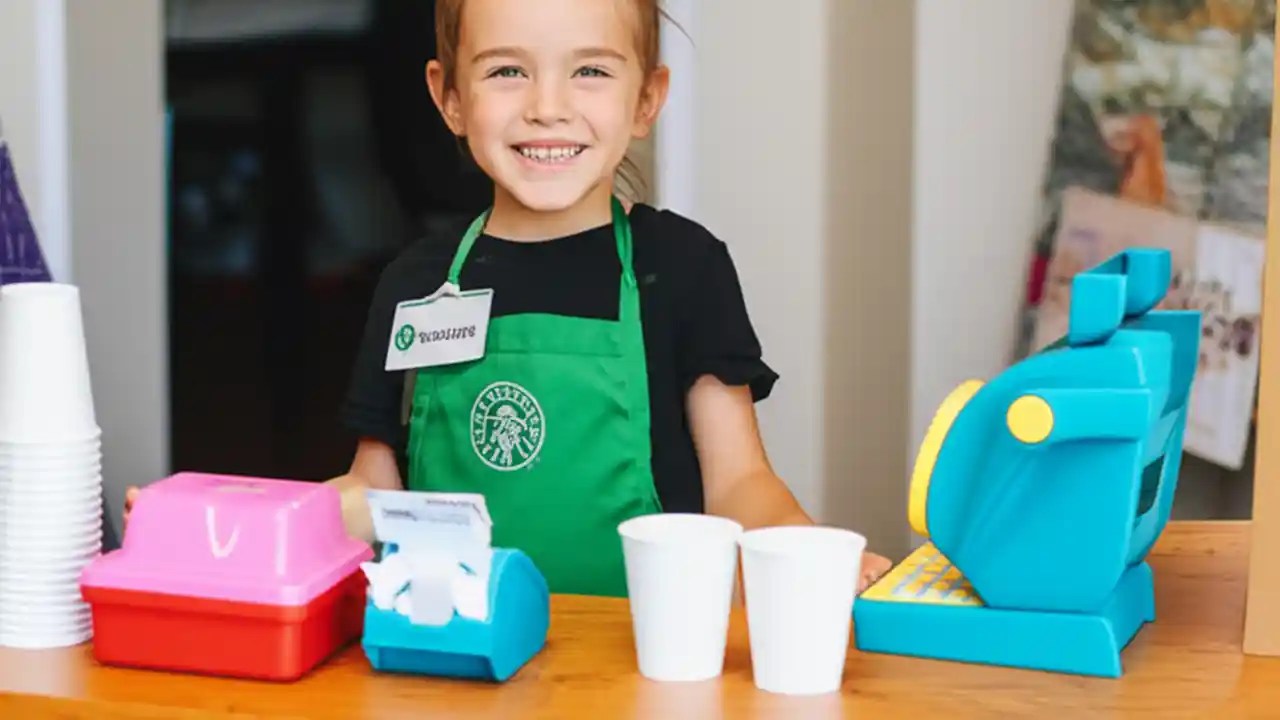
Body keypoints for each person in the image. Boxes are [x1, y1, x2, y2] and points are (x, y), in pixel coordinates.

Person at [128, 0, 891, 597]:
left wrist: (808, 558)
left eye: (590, 70)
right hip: (452, 655)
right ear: (450, 97)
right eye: (506, 72)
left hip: (640, 658)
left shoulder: (684, 267)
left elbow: (739, 481)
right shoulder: (415, 285)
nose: (546, 107)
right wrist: (210, 527)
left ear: (646, 99)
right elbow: (371, 493)